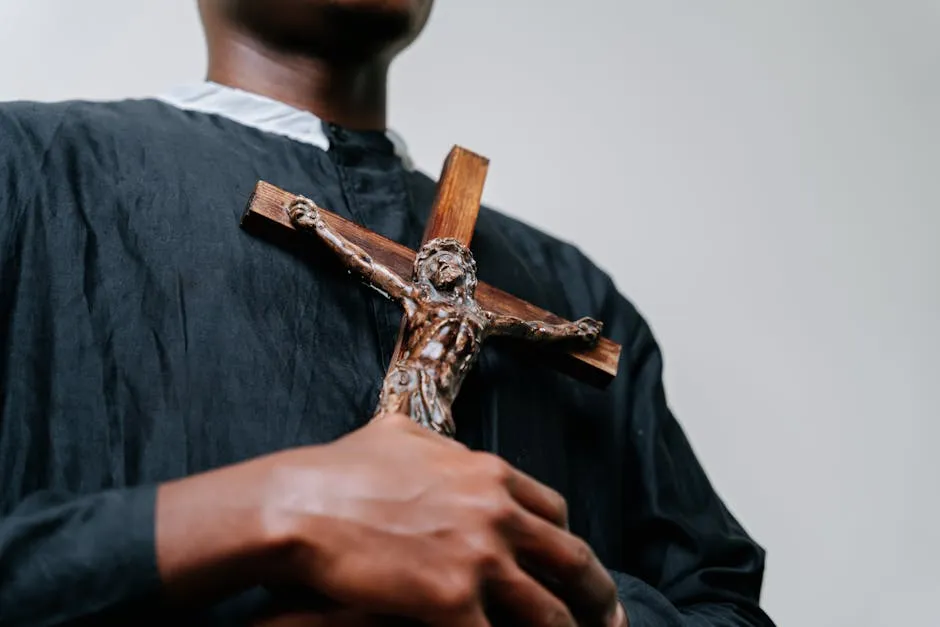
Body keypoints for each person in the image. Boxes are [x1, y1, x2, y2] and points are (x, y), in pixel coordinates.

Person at [0, 1, 774, 626]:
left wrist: (584, 612)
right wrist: (277, 509)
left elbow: (722, 604)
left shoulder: (578, 295)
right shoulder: (27, 170)